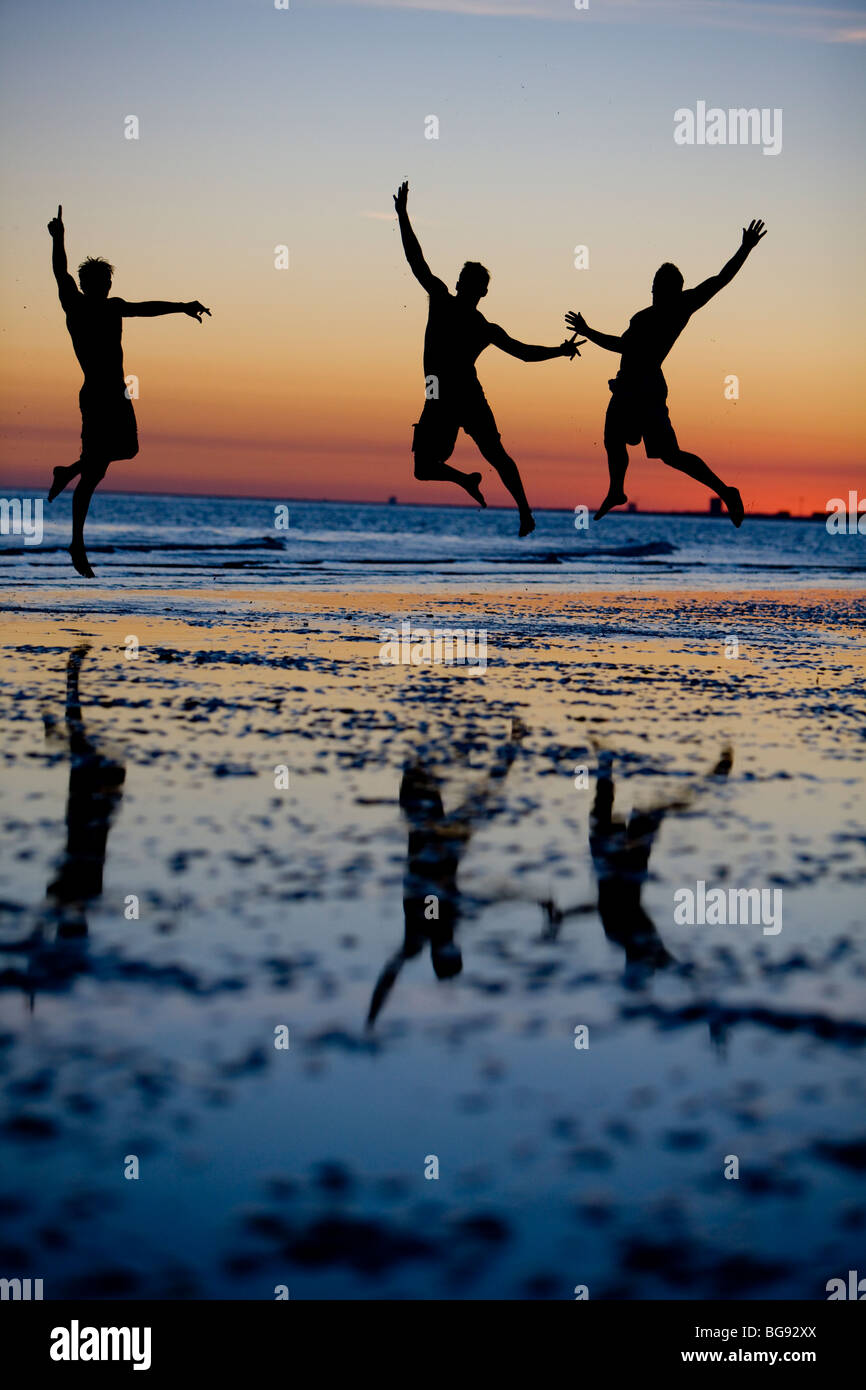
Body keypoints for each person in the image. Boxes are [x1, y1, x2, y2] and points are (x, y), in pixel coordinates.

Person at [394, 181, 580, 537]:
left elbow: (524, 353)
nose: (463, 284)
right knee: (425, 468)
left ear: (480, 291)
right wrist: (403, 218)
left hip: (455, 394)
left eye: (469, 281)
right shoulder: (447, 302)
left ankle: (524, 511)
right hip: (442, 394)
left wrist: (558, 350)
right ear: (463, 283)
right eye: (463, 278)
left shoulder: (474, 320)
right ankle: (471, 481)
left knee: (492, 455)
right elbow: (416, 261)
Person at [566, 220, 767, 525]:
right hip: (629, 387)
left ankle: (726, 492)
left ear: (674, 290)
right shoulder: (642, 316)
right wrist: (588, 331)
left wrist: (745, 248)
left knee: (667, 454)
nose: (654, 293)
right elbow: (622, 345)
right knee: (613, 438)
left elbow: (720, 280)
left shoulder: (680, 307)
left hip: (643, 389)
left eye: (660, 289)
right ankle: (617, 490)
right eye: (653, 288)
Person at [46, 205, 211, 576]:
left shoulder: (110, 307)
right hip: (97, 396)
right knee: (95, 474)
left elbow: (145, 308)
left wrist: (181, 306)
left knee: (126, 451)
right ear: (90, 284)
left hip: (116, 394)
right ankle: (76, 543)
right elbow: (60, 272)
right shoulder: (76, 304)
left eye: (106, 283)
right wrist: (59, 239)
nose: (104, 288)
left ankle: (67, 473)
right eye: (99, 283)